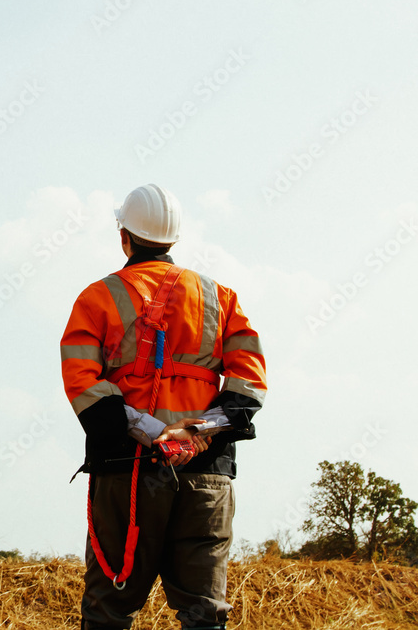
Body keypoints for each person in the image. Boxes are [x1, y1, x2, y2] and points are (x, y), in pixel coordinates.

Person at [60, 184, 267, 630]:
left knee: (108, 611)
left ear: (124, 237)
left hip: (127, 476)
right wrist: (197, 431)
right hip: (207, 478)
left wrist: (153, 431)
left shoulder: (96, 298)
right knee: (204, 616)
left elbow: (81, 381)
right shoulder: (221, 298)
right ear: (174, 239)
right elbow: (249, 384)